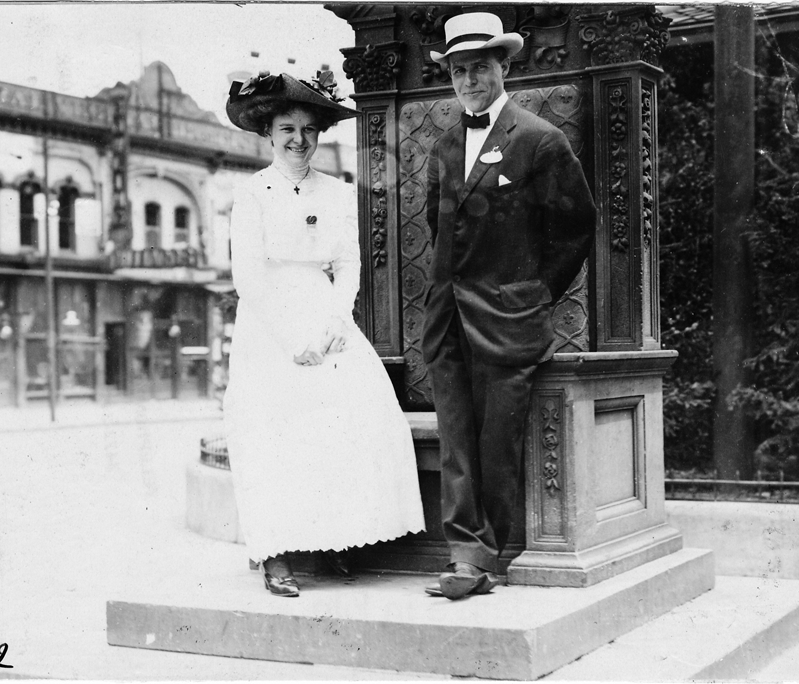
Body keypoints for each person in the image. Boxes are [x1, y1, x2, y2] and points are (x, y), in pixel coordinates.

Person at [223, 70, 426, 597]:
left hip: (324, 311)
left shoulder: (336, 193)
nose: (298, 139)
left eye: (309, 129)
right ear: (269, 133)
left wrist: (337, 321)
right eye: (287, 128)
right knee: (274, 433)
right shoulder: (252, 193)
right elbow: (248, 276)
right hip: (270, 321)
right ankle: (276, 556)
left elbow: (349, 261)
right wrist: (293, 342)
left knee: (348, 422)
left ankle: (336, 537)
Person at [421, 12, 597, 600]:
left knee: (498, 442)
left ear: (505, 66)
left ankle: (490, 559)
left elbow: (575, 229)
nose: (469, 79)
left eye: (480, 67)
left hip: (510, 319)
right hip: (449, 319)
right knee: (456, 439)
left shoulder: (541, 140)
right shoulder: (445, 146)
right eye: (459, 70)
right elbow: (438, 229)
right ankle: (465, 556)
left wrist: (532, 291)